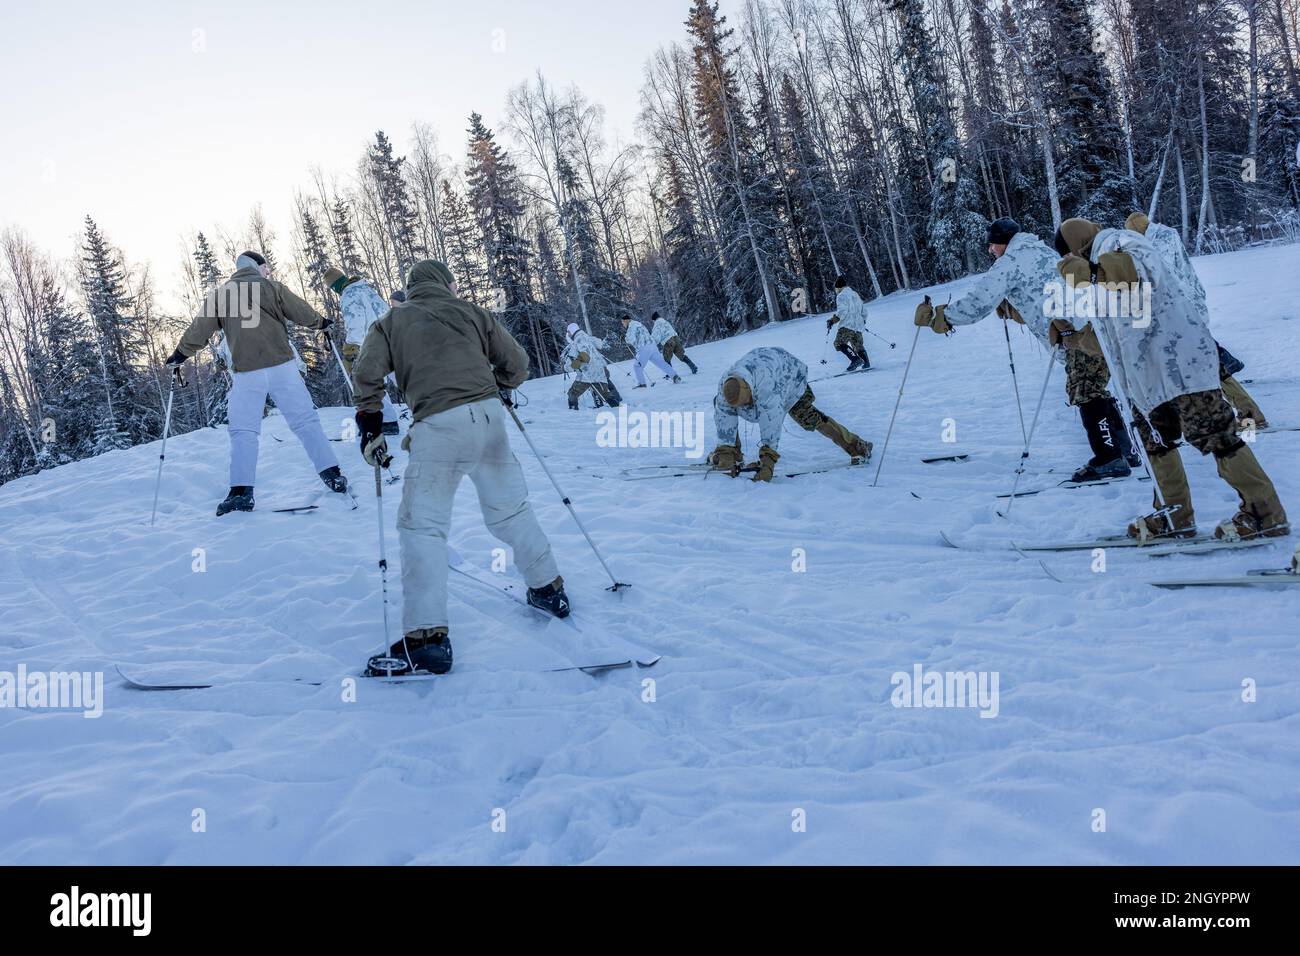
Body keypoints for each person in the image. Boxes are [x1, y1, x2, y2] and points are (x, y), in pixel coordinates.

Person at [352, 259, 570, 677]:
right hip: (489, 420)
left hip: (439, 427)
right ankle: (548, 588)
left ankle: (426, 639)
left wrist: (370, 426)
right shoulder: (475, 312)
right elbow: (518, 364)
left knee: (423, 527)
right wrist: (498, 389)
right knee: (511, 510)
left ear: (412, 289)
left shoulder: (389, 324)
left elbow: (368, 374)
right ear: (447, 285)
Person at [1050, 219, 1287, 541]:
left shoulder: (1121, 243)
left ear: (1076, 248)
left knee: (1216, 435)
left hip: (1181, 367)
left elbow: (1133, 273)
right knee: (1156, 443)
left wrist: (1091, 273)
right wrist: (1072, 339)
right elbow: (1111, 332)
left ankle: (1265, 512)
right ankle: (1175, 516)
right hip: (1144, 379)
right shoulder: (1099, 275)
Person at [914, 217, 1137, 482]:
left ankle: (1109, 458)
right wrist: (1016, 309)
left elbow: (978, 302)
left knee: (1086, 389)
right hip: (1093, 324)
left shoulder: (1009, 263)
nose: (990, 250)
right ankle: (1123, 450)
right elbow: (1043, 292)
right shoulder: (1040, 250)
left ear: (1003, 243)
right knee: (1094, 387)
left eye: (992, 245)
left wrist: (940, 318)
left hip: (1076, 331)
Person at [165, 251, 349, 516]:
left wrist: (181, 354)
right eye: (266, 269)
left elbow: (200, 328)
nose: (268, 273)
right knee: (305, 421)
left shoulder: (220, 295)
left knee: (243, 431)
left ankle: (240, 493)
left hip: (246, 373)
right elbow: (300, 310)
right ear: (258, 267)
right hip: (282, 367)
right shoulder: (271, 287)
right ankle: (332, 474)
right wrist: (320, 323)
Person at [1123, 212, 1270, 427]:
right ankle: (1246, 414)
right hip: (1187, 311)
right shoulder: (1168, 237)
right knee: (1206, 366)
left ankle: (1239, 418)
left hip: (1171, 319)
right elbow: (1186, 273)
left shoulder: (1141, 249)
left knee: (1200, 369)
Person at [707, 346, 871, 482]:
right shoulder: (725, 388)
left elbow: (771, 420)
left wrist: (768, 462)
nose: (745, 408)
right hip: (764, 368)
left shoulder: (767, 386)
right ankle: (734, 455)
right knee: (722, 407)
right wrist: (725, 452)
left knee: (807, 416)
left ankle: (857, 446)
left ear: (750, 392)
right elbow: (724, 417)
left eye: (746, 403)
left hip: (790, 376)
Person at [322, 267, 399, 435]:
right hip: (392, 336)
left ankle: (387, 420)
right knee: (402, 377)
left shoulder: (348, 295)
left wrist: (350, 348)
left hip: (374, 343)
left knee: (371, 381)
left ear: (334, 286)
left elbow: (355, 323)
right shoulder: (366, 289)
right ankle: (429, 409)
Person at [561, 322, 622, 410]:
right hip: (599, 371)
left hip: (587, 374)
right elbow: (598, 345)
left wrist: (569, 367)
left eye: (568, 332)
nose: (568, 334)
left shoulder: (578, 340)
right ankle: (618, 408)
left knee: (572, 393)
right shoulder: (586, 337)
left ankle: (573, 412)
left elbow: (585, 356)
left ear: (572, 331)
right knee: (605, 394)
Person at [826, 276, 871, 372]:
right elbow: (864, 311)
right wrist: (862, 321)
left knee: (838, 343)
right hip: (858, 326)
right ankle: (866, 363)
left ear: (838, 287)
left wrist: (832, 320)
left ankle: (855, 360)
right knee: (858, 345)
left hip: (847, 325)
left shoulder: (841, 295)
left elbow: (842, 311)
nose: (836, 290)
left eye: (836, 288)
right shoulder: (855, 294)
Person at [622, 314, 680, 387]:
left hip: (644, 348)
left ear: (626, 321)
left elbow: (631, 339)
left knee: (637, 366)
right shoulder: (639, 324)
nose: (623, 325)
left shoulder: (631, 326)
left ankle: (642, 384)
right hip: (652, 346)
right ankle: (675, 376)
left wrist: (625, 338)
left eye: (623, 323)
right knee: (662, 363)